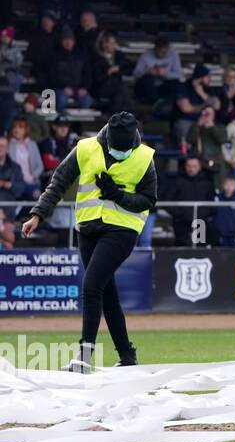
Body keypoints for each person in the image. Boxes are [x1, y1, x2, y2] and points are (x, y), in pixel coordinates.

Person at [23, 113, 157, 369]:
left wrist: (118, 196)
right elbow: (59, 181)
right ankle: (127, 355)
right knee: (106, 292)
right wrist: (38, 214)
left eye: (125, 150)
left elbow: (149, 200)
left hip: (123, 229)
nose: (122, 154)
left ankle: (83, 358)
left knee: (92, 286)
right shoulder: (85, 148)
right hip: (89, 228)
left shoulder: (143, 157)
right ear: (107, 140)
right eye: (117, 150)